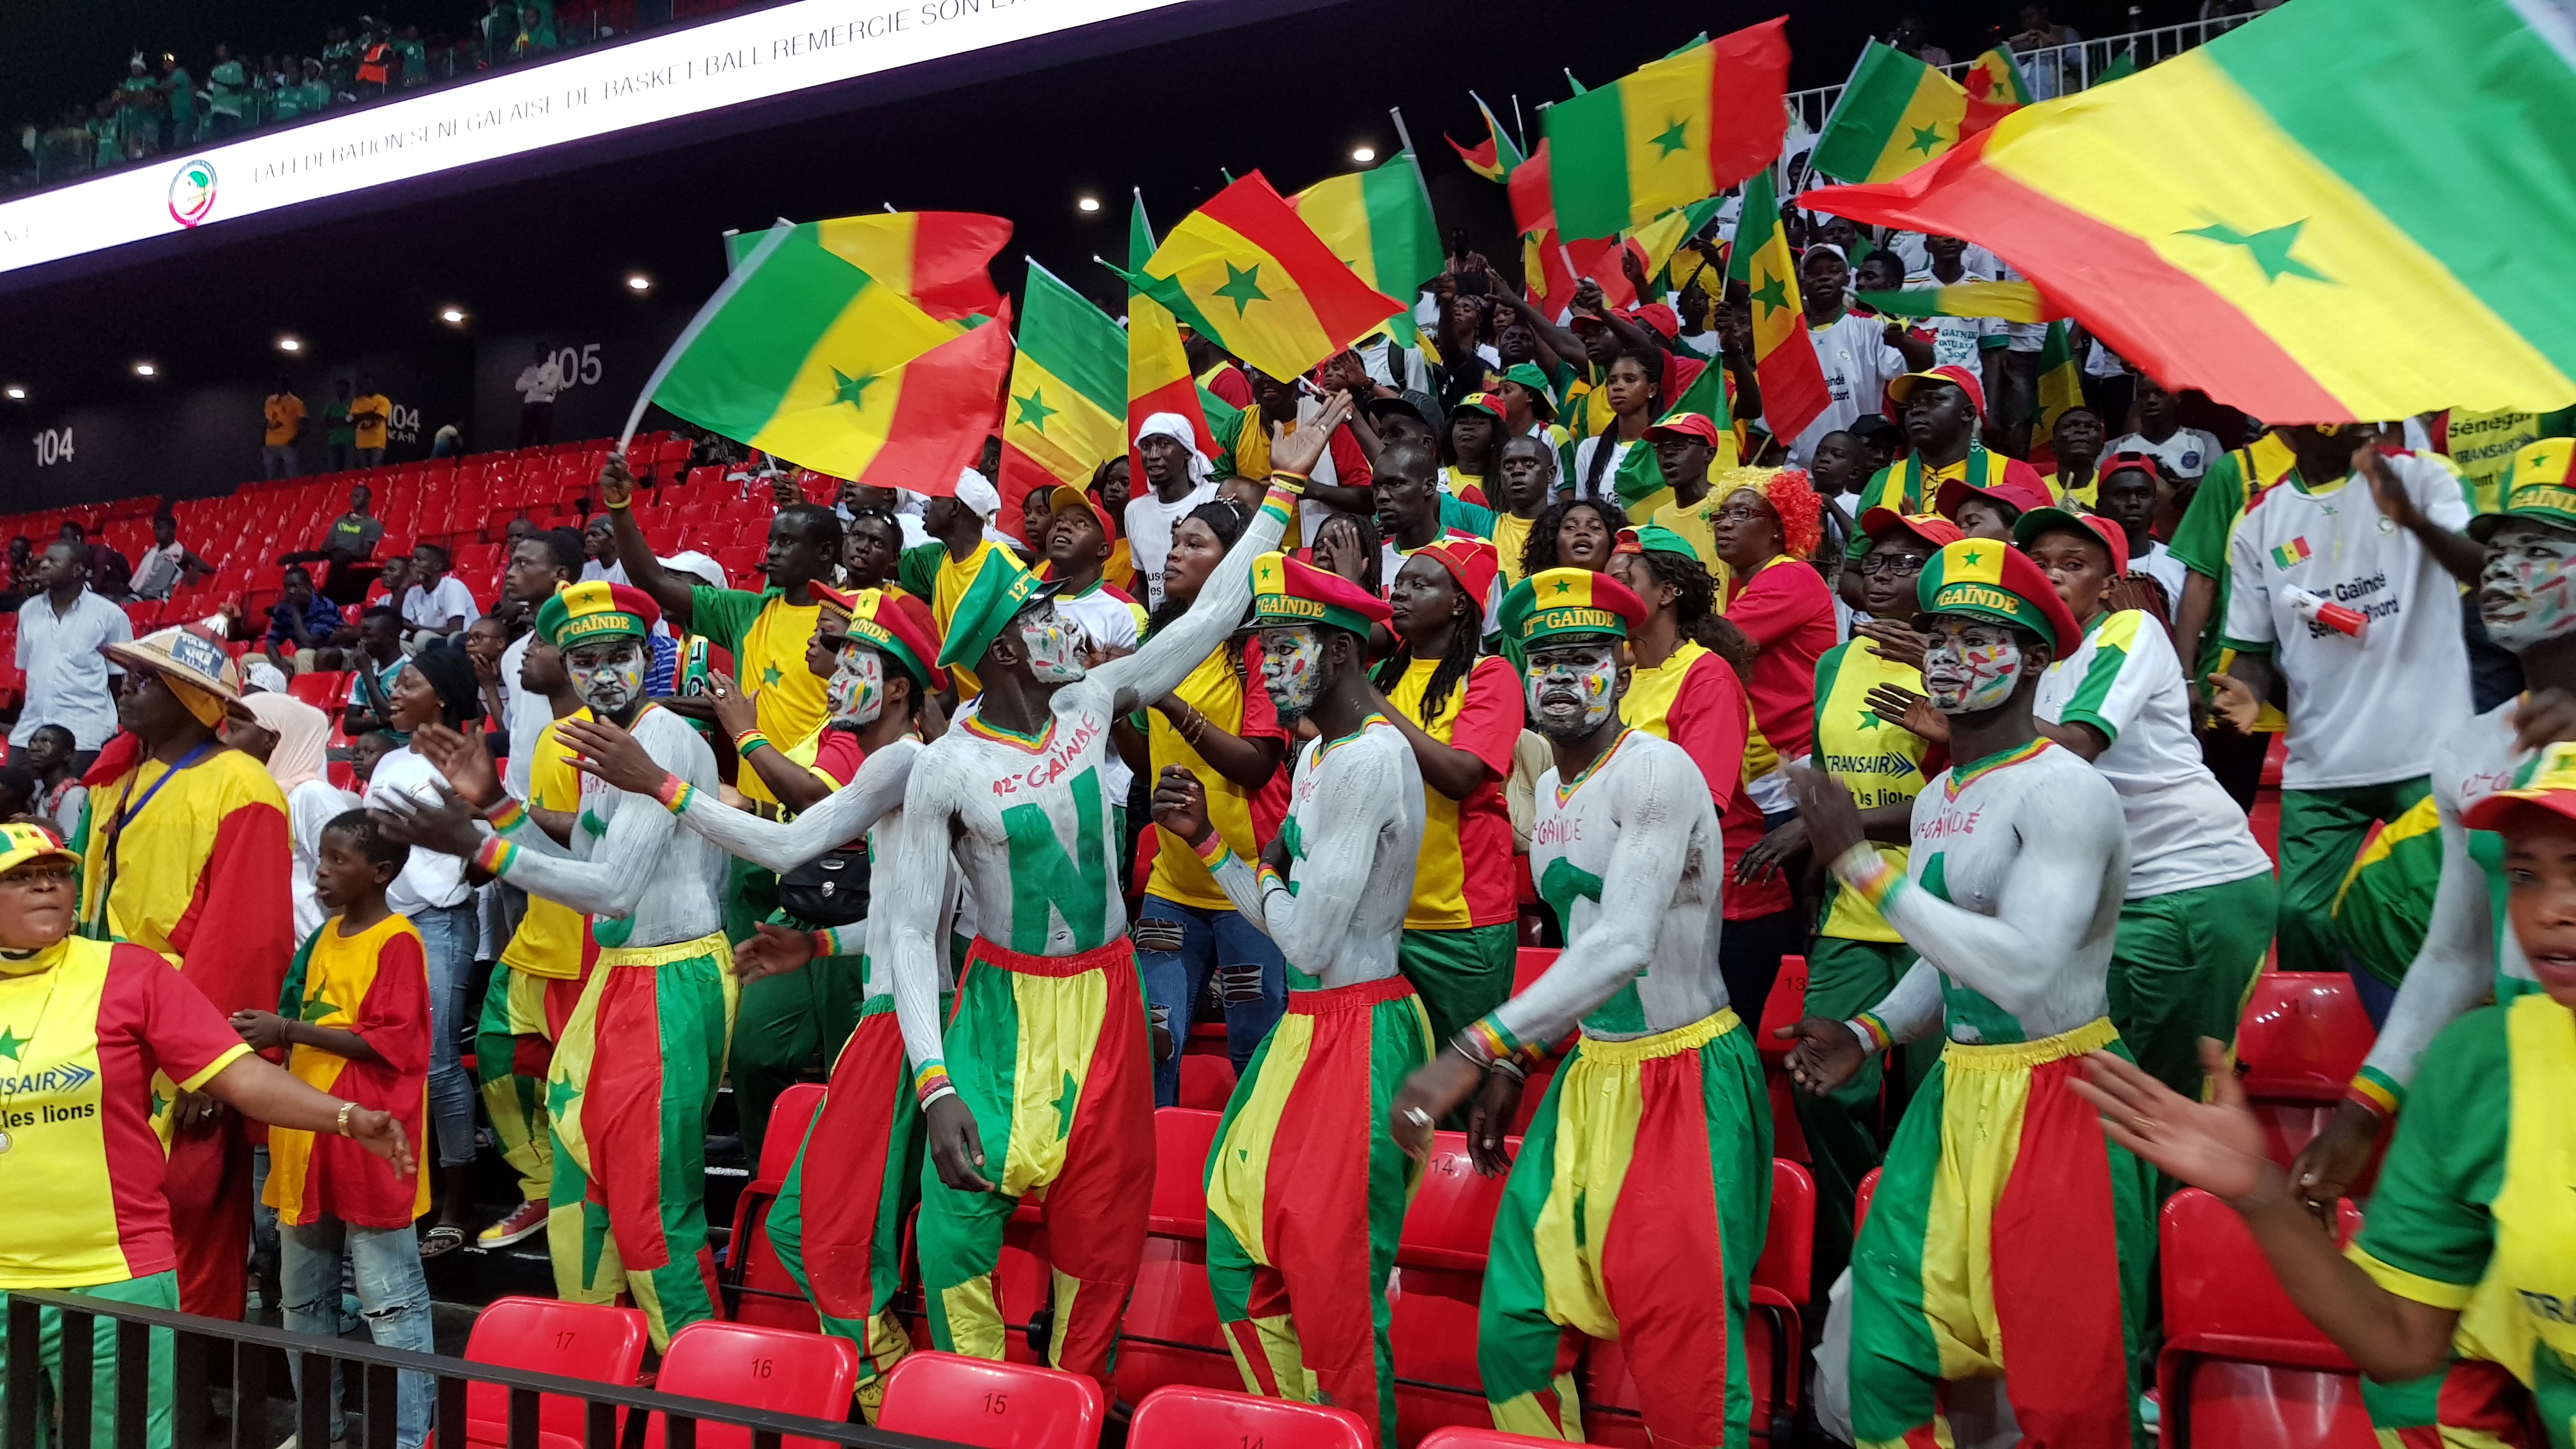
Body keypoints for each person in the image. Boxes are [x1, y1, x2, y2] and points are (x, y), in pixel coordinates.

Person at [871, 409, 1335, 1395]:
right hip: (1001, 1010)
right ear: (1003, 652)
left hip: (1110, 996)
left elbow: (1212, 616)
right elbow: (911, 936)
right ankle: (977, 1399)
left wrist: (1283, 494)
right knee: (957, 1218)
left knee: (1105, 1222)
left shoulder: (1092, 702)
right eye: (1042, 622)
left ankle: (1071, 1402)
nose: (1066, 627)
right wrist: (935, 1083)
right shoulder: (945, 769)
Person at [2071, 744, 2576, 1446]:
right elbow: (2400, 1343)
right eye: (2526, 875)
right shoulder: (2483, 1062)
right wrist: (2260, 1194)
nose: (2553, 909)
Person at [1777, 539, 2149, 1448]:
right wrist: (1869, 1032)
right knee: (1885, 1354)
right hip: (1958, 1094)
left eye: (1976, 635)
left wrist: (1860, 867)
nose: (1945, 653)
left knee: (2063, 1391)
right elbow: (1953, 959)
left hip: (2063, 1095)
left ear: (2030, 660)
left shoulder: (2067, 792)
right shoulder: (1946, 792)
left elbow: (2020, 967)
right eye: (1937, 633)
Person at [1396, 565, 1770, 1448]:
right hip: (1591, 1071)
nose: (1564, 676)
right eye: (1547, 657)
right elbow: (1582, 951)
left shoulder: (1658, 772)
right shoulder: (1555, 792)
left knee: (1688, 1362)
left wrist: (1476, 1048)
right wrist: (1526, 1056)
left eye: (1587, 656)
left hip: (1685, 1075)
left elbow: (1625, 942)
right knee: (1516, 1328)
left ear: (1624, 669)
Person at [560, 585, 945, 1412]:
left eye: (852, 662)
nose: (831, 676)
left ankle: (896, 1409)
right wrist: (816, 944)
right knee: (802, 1233)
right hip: (894, 1008)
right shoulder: (896, 761)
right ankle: (881, 1399)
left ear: (903, 685)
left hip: (919, 1021)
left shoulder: (909, 759)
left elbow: (797, 838)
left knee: (830, 1241)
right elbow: (906, 908)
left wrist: (695, 769)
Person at [376, 581, 733, 1349]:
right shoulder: (599, 741)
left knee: (650, 1206)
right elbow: (582, 863)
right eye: (586, 659)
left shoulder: (662, 738)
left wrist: (480, 843)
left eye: (618, 657)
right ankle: (601, 1371)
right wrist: (498, 808)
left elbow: (613, 889)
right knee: (581, 1191)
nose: (603, 674)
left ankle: (701, 1386)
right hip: (621, 979)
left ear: (649, 659)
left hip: (671, 978)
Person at [0, 821, 412, 1449]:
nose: (45, 888)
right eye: (20, 878)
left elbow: (241, 1078)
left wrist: (348, 1119)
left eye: (55, 873)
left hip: (117, 1278)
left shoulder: (126, 973)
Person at [1147, 551, 1424, 1444]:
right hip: (1310, 1026)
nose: (1264, 668)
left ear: (1340, 655)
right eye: (1260, 650)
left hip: (1360, 1021)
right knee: (1237, 1237)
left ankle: (1349, 1430)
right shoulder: (1316, 754)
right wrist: (1216, 846)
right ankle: (1311, 1425)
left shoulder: (1364, 763)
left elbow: (1303, 938)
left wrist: (1230, 860)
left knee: (1338, 1286)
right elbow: (1288, 909)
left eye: (1283, 647)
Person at [2000, 509, 2279, 1116]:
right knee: (2110, 1098)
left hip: (2194, 884)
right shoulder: (2030, 664)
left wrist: (1979, 707)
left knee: (2165, 1104)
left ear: (2108, 583)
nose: (2051, 577)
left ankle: (2179, 1214)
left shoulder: (2127, 631)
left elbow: (2079, 745)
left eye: (2073, 565)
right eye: (2039, 564)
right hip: (2119, 902)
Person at [79, 627, 298, 1321]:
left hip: (182, 1032)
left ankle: (186, 1386)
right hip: (103, 1017)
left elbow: (248, 937)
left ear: (190, 698)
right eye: (128, 676)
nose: (126, 688)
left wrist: (215, 1064)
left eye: (144, 679)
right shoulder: (115, 784)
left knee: (191, 1213)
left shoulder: (242, 787)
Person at [1763, 507, 1957, 1289]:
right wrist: (1818, 854)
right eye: (1873, 562)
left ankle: (1926, 1256)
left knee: (1927, 1101)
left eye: (1903, 564)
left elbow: (1963, 792)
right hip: (1850, 905)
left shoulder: (1962, 666)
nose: (1878, 574)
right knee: (1824, 1089)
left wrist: (1832, 829)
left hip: (1935, 904)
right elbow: (1826, 773)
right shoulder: (1833, 665)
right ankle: (1859, 1250)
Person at [2214, 431, 2478, 981]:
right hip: (2323, 762)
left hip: (2429, 753)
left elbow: (2486, 570)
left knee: (2441, 910)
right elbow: (2253, 650)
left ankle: (2441, 1047)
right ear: (2281, 419)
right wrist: (2248, 691)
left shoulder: (2425, 476)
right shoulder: (2259, 520)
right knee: (2302, 916)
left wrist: (2416, 521)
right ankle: (2322, 1059)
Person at [234, 811, 434, 1449]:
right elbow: (290, 1009)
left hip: (369, 1140)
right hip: (307, 1136)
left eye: (338, 859)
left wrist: (287, 1031)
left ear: (379, 872)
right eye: (321, 857)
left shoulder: (397, 940)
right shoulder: (322, 937)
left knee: (390, 1303)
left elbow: (394, 1042)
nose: (321, 870)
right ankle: (319, 1425)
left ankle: (406, 1435)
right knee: (302, 1302)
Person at [1131, 501, 1290, 1105]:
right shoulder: (1162, 640)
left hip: (1247, 886)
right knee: (1153, 1039)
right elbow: (1142, 749)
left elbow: (1258, 763)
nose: (1173, 552)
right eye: (1174, 541)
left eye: (1195, 545)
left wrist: (1170, 701)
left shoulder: (1256, 652)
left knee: (1254, 1046)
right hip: (1173, 886)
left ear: (1233, 568)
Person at [360, 645, 486, 1256]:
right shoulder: (386, 763)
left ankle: (457, 1205)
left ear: (439, 696)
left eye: (406, 683)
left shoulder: (466, 760)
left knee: (438, 1063)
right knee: (395, 1061)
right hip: (388, 922)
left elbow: (490, 854)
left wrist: (465, 859)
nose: (394, 696)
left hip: (440, 918)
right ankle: (410, 1193)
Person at [1375, 537, 1522, 1054]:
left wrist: (1373, 707)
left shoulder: (1490, 675)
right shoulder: (1383, 676)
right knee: (1395, 1085)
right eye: (1399, 584)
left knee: (1462, 1092)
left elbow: (1461, 776)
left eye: (1420, 585)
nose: (1401, 594)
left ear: (1460, 602)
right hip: (1385, 919)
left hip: (1460, 923)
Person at [473, 631, 594, 1250]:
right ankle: (541, 1186)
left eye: (541, 644)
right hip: (535, 934)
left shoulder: (594, 733)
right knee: (498, 1060)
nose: (524, 652)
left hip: (583, 945)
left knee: (582, 1092)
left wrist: (498, 817)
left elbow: (598, 838)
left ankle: (587, 1209)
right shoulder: (547, 733)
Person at [1710, 467, 1834, 831]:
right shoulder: (1749, 583)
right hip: (1764, 770)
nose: (1724, 524)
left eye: (1743, 514)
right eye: (1720, 515)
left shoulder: (1790, 576)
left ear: (1780, 528)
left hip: (1789, 769)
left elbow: (1715, 644)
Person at [1847, 365, 2052, 562]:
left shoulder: (2016, 475)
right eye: (1912, 404)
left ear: (1968, 413)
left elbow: (2046, 554)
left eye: (1935, 399)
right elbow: (1854, 571)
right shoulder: (1882, 481)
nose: (1917, 410)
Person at [1783, 245, 1931, 469]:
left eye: (1833, 271)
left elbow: (1923, 365)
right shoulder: (1787, 338)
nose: (1824, 278)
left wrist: (1902, 341)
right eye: (1814, 273)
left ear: (1847, 278)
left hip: (1857, 470)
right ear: (1802, 283)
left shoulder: (1870, 328)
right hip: (1799, 469)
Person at [227, 692, 356, 940]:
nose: (225, 740)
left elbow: (348, 878)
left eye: (234, 730)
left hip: (307, 947)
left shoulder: (312, 795)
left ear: (272, 739)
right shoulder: (255, 793)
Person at [12, 540, 131, 772]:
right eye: (43, 560)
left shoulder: (110, 616)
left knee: (71, 799)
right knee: (10, 795)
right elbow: (30, 668)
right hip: (32, 728)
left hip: (84, 731)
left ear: (77, 570)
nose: (44, 565)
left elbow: (118, 678)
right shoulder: (28, 611)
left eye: (53, 561)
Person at [495, 528, 583, 802]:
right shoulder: (514, 654)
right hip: (520, 793)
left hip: (572, 790)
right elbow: (518, 727)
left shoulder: (584, 645)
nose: (510, 572)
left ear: (559, 575)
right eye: (512, 563)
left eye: (524, 564)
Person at [916, 471, 1016, 702]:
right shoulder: (945, 564)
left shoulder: (999, 562)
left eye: (933, 500)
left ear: (954, 507)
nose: (925, 507)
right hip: (965, 711)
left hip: (1000, 707)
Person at [1128, 413, 1220, 610]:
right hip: (1160, 631)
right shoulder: (1135, 511)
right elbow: (1145, 585)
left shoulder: (1214, 498)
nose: (1153, 455)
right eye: (1146, 447)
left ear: (1187, 451)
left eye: (1163, 444)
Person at [2094, 453, 2189, 613]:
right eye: (2121, 495)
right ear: (2100, 507)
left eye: (2143, 494)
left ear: (2154, 505)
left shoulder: (2179, 564)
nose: (2133, 502)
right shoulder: (2086, 565)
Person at [1568, 353, 1662, 502]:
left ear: (1652, 390)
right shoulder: (1589, 449)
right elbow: (1584, 508)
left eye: (1629, 380)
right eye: (1612, 381)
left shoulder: (1664, 447)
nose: (1618, 387)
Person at [2108, 374, 2223, 482]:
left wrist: (2199, 483)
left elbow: (2221, 482)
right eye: (2144, 395)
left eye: (2161, 393)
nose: (2151, 400)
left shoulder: (2205, 441)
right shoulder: (2114, 448)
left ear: (2177, 397)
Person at [1491, 434, 1558, 587]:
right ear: (1500, 476)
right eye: (1509, 466)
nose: (1517, 471)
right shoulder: (1484, 523)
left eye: (1529, 463)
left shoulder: (1566, 526)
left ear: (1550, 474)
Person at [264, 564, 350, 675]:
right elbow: (270, 644)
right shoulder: (283, 609)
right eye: (287, 587)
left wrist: (296, 611)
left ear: (309, 586)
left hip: (334, 654)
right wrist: (282, 666)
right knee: (249, 660)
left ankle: (304, 691)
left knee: (303, 654)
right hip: (307, 656)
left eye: (295, 586)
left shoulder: (324, 606)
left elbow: (311, 643)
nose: (291, 591)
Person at [343, 607, 410, 739]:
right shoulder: (362, 674)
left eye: (369, 635)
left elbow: (394, 720)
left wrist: (368, 673)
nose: (362, 641)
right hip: (371, 746)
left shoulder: (410, 671)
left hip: (400, 745)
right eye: (362, 635)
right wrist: (381, 721)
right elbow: (348, 726)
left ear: (390, 636)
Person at [130, 513, 215, 603]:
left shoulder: (180, 553)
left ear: (172, 530)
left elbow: (209, 569)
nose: (157, 532)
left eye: (161, 529)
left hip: (158, 599)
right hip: (139, 595)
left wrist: (195, 568)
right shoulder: (149, 553)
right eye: (155, 529)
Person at [401, 544, 479, 643]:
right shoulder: (413, 593)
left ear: (438, 566)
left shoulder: (452, 587)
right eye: (412, 559)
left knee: (421, 638)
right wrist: (404, 588)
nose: (413, 563)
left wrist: (413, 628)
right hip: (429, 644)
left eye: (419, 560)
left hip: (460, 644)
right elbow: (404, 627)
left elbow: (455, 631)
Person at [2043, 405, 2108, 507]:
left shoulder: (2110, 488)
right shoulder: (2037, 489)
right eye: (2070, 426)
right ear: (2052, 446)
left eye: (2091, 427)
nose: (2081, 430)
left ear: (2102, 447)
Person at [516, 346, 563, 447]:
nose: (539, 355)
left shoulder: (554, 368)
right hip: (528, 407)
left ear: (548, 353)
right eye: (537, 352)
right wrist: (537, 383)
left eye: (541, 351)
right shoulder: (529, 370)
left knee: (542, 440)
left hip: (544, 406)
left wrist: (529, 386)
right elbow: (519, 386)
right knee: (523, 440)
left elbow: (548, 388)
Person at [264, 376, 306, 479]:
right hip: (271, 444)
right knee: (271, 476)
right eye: (276, 384)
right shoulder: (269, 401)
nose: (278, 386)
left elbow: (305, 423)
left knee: (292, 475)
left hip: (288, 443)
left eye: (281, 384)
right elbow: (268, 420)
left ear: (287, 386)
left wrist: (295, 439)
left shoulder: (296, 402)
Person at [351, 375, 392, 470]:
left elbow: (379, 416)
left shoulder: (383, 400)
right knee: (363, 471)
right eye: (365, 384)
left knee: (375, 470)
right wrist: (371, 412)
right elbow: (353, 419)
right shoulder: (357, 401)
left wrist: (361, 415)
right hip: (361, 442)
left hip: (377, 441)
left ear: (374, 385)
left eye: (370, 383)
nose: (367, 386)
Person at [323, 380, 356, 474]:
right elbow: (326, 423)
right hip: (334, 441)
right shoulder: (331, 406)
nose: (339, 390)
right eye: (338, 388)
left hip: (349, 441)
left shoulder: (353, 405)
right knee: (334, 471)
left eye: (342, 387)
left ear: (348, 390)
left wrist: (336, 421)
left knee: (349, 471)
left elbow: (353, 421)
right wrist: (344, 420)